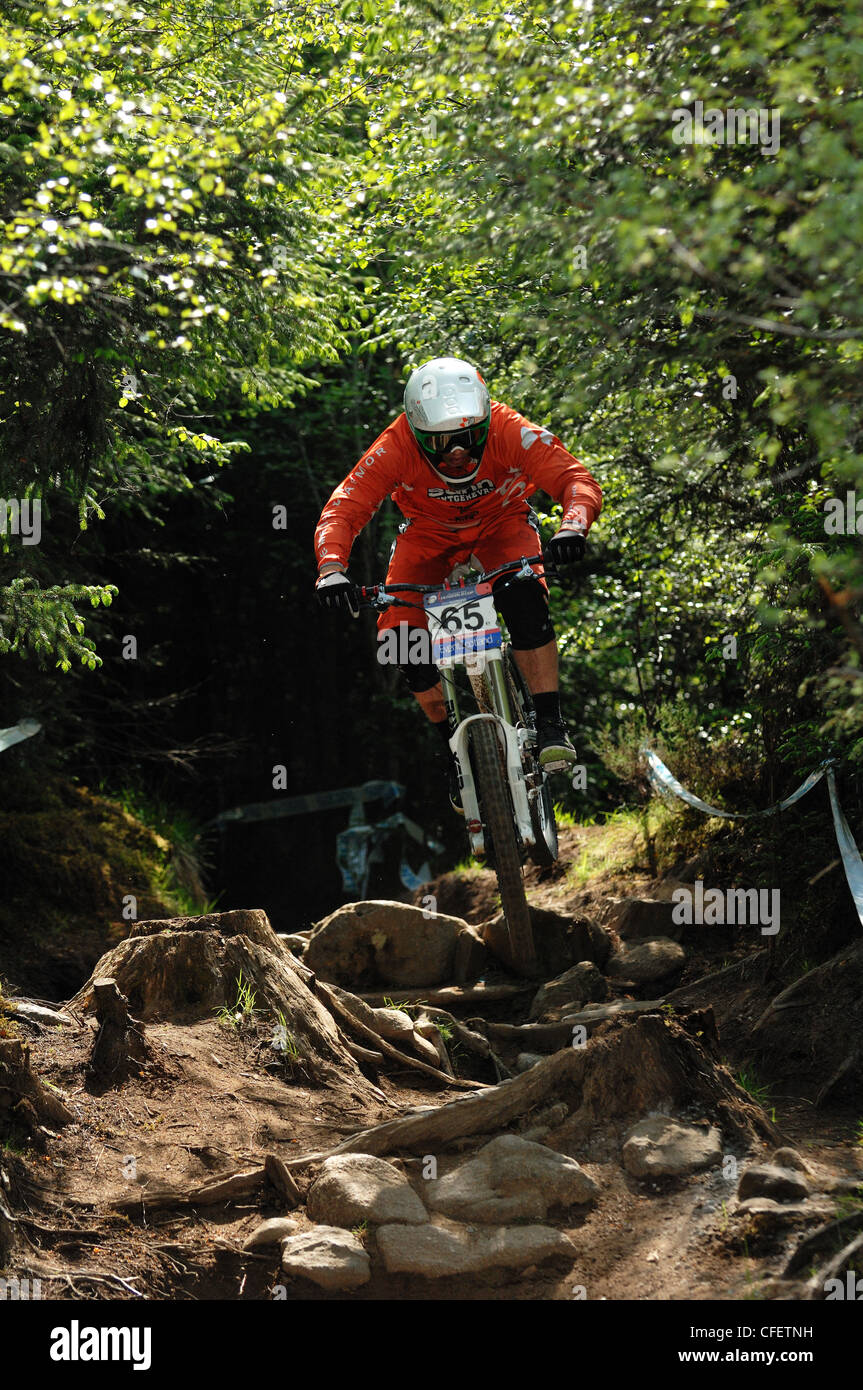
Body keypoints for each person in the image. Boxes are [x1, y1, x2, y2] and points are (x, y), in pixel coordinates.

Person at [314, 356, 602, 810]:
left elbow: (574, 478)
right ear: (416, 432)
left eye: (468, 438)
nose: (456, 452)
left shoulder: (508, 428)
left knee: (525, 599)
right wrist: (332, 568)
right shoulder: (395, 445)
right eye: (440, 442)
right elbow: (345, 508)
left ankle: (550, 723)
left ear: (486, 420)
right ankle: (451, 749)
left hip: (502, 523)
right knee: (405, 642)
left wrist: (572, 527)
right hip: (428, 536)